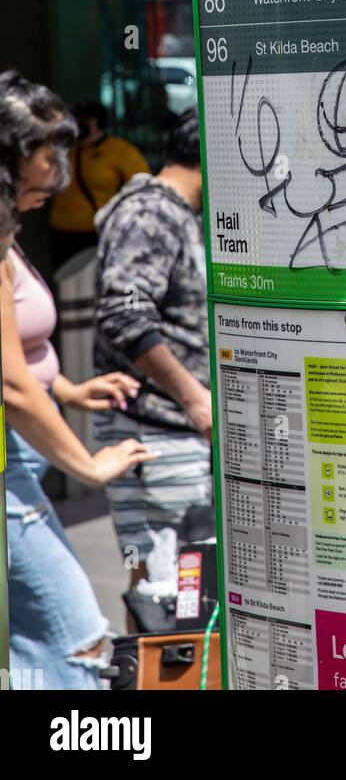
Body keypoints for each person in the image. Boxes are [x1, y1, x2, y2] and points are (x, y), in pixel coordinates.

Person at [0, 70, 154, 689]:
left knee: (39, 650)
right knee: (78, 645)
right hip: (10, 468)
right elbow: (10, 384)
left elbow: (20, 351)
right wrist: (89, 467)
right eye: (49, 150)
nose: (60, 169)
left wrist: (65, 391)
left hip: (21, 464)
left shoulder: (9, 234)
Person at [93, 107, 212, 612]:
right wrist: (196, 400)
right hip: (158, 435)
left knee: (172, 594)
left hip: (169, 437)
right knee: (166, 600)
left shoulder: (172, 212)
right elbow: (125, 314)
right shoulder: (152, 214)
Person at [49, 100, 150, 268]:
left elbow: (144, 192)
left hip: (97, 233)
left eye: (84, 120)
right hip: (62, 234)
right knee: (66, 287)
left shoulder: (122, 152)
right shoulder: (64, 149)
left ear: (97, 124)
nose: (78, 124)